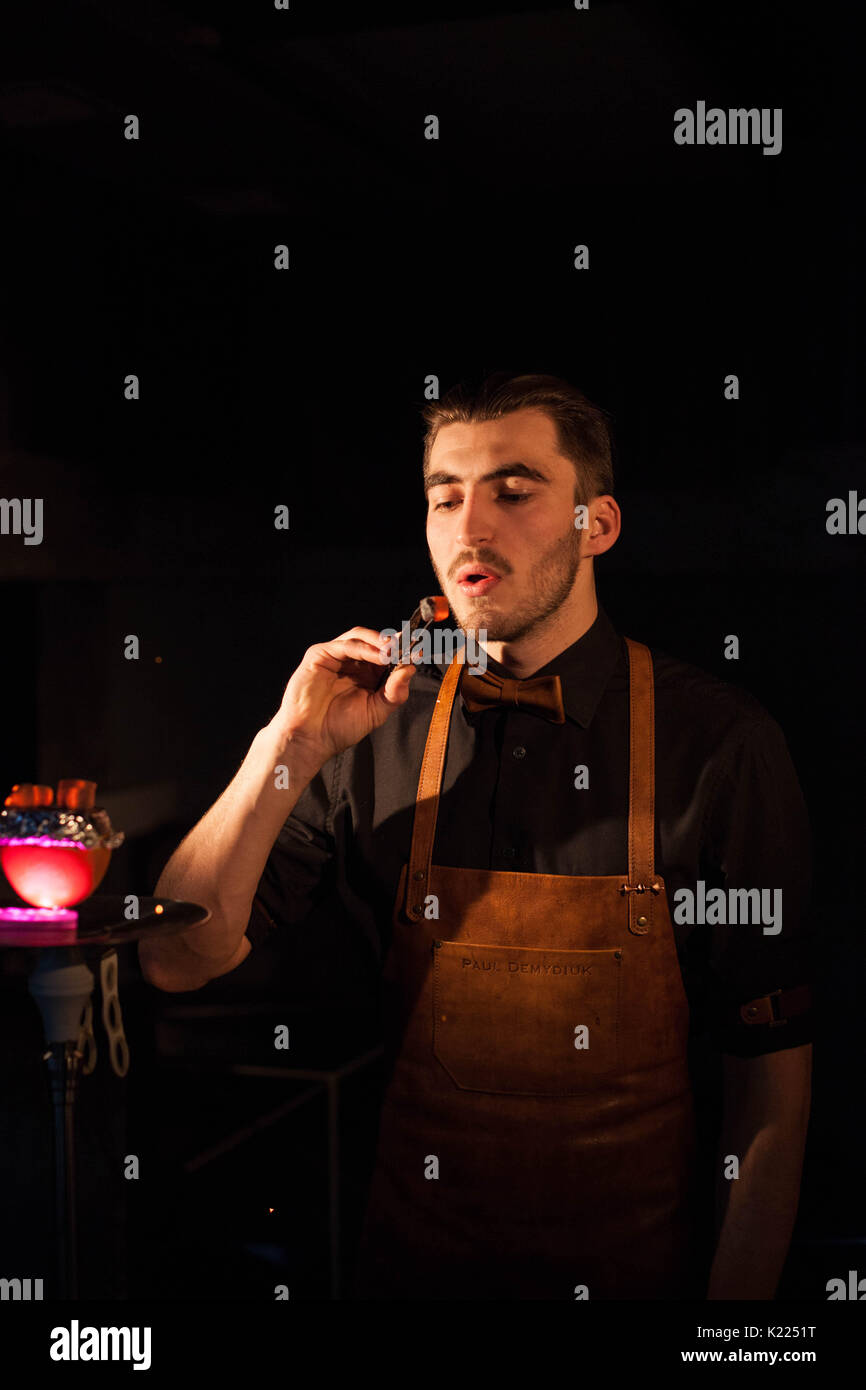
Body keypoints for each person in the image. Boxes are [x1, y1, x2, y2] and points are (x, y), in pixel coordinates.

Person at [139, 372, 814, 1301]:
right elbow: (179, 956)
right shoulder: (368, 726)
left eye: (513, 490)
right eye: (444, 497)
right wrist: (284, 746)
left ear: (598, 526)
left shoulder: (722, 744)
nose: (469, 529)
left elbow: (771, 1086)